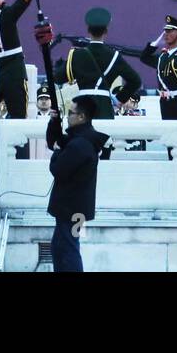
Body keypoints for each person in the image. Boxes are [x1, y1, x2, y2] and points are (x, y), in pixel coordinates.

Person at [46, 95, 109, 272]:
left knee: (68, 248)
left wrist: (57, 152)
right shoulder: (82, 137)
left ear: (81, 117)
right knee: (60, 247)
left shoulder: (81, 143)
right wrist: (54, 122)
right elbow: (54, 142)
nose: (68, 116)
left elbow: (58, 169)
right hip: (75, 207)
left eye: (70, 113)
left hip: (71, 208)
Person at [81, 7, 144, 106]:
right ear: (106, 31)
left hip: (83, 106)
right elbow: (135, 81)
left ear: (88, 30)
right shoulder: (114, 56)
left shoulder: (76, 54)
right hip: (104, 106)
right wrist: (118, 99)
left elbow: (59, 78)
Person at [139, 15, 177, 120]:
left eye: (170, 31)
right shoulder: (162, 57)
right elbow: (144, 58)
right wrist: (154, 44)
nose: (166, 34)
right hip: (164, 104)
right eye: (165, 31)